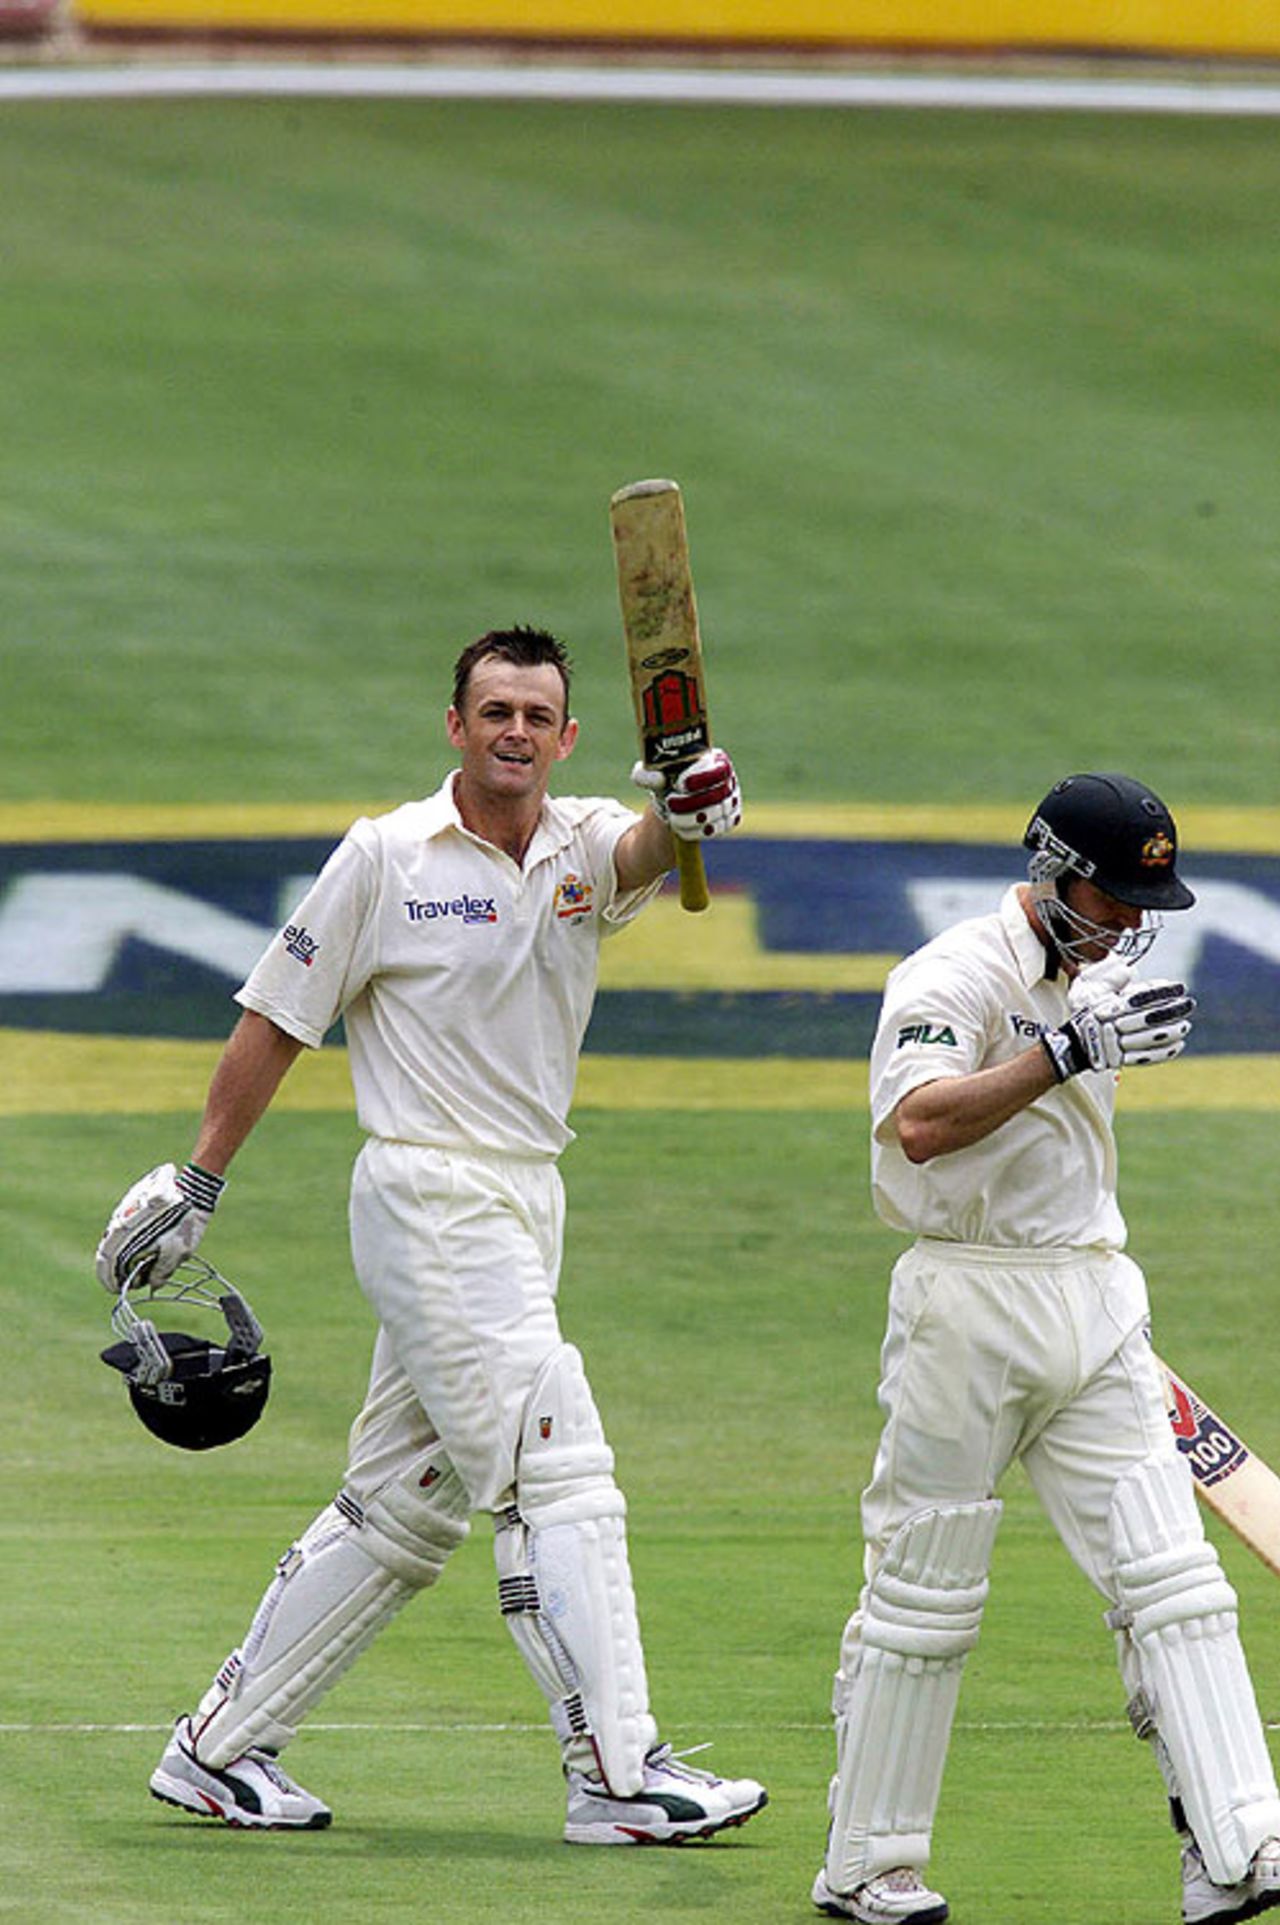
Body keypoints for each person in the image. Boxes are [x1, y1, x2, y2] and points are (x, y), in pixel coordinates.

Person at [96, 625, 766, 1846]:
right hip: (426, 1196)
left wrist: (689, 809)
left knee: (402, 1505)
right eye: (493, 709)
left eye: (536, 715)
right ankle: (616, 1770)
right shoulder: (386, 855)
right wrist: (199, 1179)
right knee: (555, 1458)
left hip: (521, 1198)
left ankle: (217, 1751)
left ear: (567, 739)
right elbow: (278, 1014)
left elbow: (643, 848)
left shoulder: (577, 848)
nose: (515, 730)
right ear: (455, 726)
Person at [812, 772, 1280, 1925]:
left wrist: (1083, 1031)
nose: (1126, 920)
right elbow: (919, 1124)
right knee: (924, 1594)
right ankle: (865, 1866)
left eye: (1141, 900)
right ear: (1046, 868)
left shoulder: (1102, 974)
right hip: (963, 1300)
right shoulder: (950, 973)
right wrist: (1063, 1051)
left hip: (1091, 1295)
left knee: (1171, 1580)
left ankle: (1235, 1846)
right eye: (1109, 895)